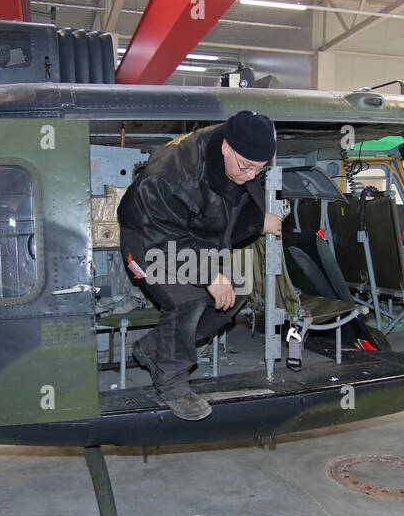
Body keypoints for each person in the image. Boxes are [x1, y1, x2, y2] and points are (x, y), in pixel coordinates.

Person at [117, 111, 282, 420]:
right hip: (148, 235)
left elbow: (229, 206)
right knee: (187, 300)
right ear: (225, 148)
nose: (251, 176)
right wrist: (208, 275)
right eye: (247, 167)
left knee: (238, 291)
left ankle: (156, 349)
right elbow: (163, 241)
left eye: (260, 170)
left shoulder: (240, 158)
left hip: (192, 233)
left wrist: (258, 221)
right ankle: (172, 384)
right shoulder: (169, 174)